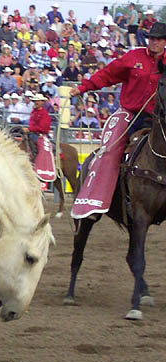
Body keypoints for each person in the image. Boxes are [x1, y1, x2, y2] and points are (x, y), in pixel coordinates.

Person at [68, 22, 166, 219]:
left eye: (159, 39)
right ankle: (101, 195)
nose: (154, 42)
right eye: (152, 38)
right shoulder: (133, 58)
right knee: (112, 150)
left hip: (160, 119)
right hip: (132, 116)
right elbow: (108, 74)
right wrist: (83, 87)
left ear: (164, 42)